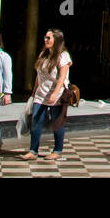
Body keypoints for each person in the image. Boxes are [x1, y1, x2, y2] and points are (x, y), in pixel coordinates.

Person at [22, 28, 71, 161]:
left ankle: (57, 150)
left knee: (57, 122)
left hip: (57, 93)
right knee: (35, 120)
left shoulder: (63, 56)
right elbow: (39, 76)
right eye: (45, 37)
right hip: (41, 93)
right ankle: (33, 150)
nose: (45, 40)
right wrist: (33, 92)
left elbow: (62, 77)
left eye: (49, 38)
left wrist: (55, 94)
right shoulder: (44, 55)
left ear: (57, 40)